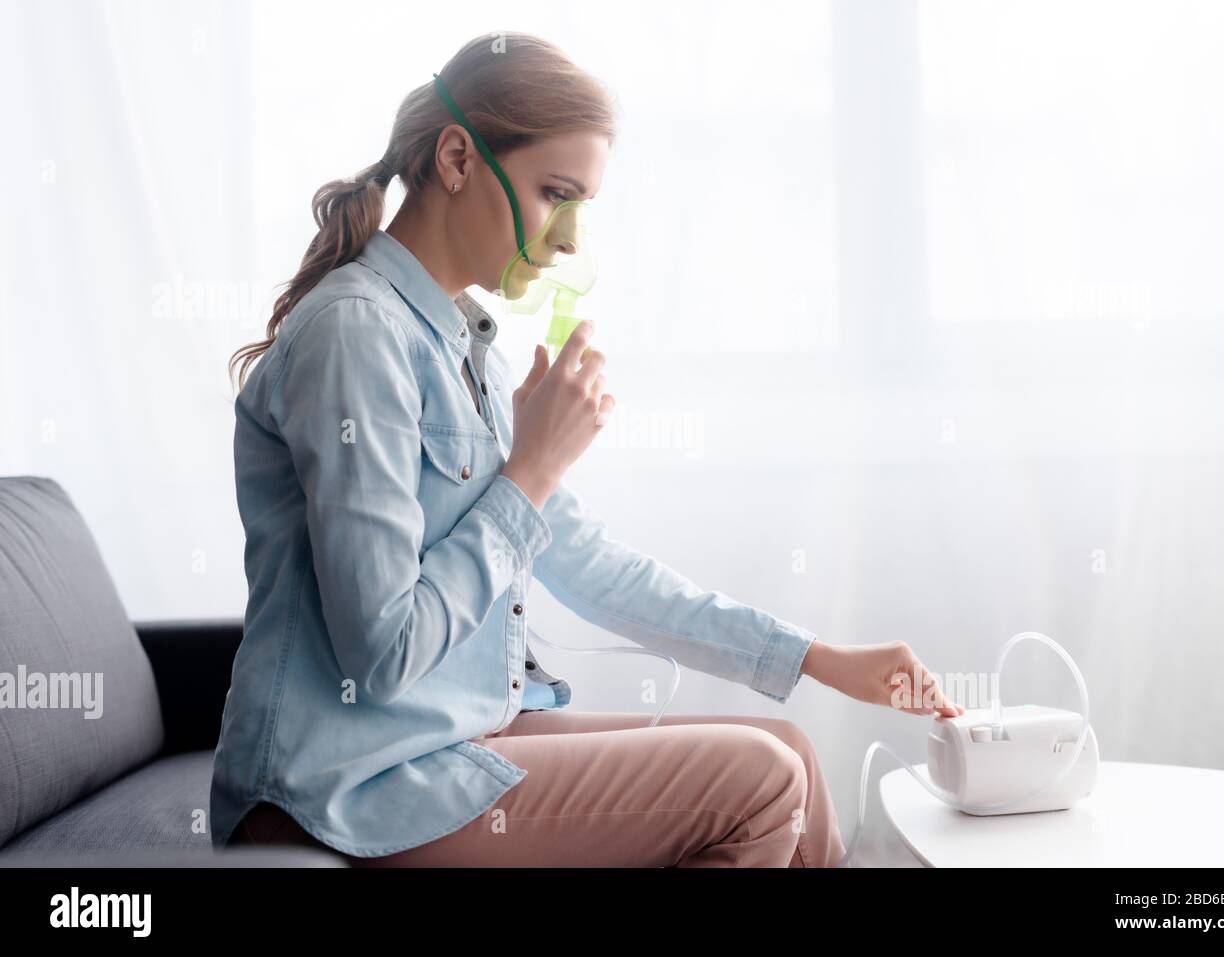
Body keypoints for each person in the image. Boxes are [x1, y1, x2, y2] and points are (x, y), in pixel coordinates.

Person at [214, 31, 963, 868]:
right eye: (555, 193)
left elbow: (595, 568)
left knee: (788, 744)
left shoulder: (467, 352)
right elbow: (381, 653)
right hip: (347, 789)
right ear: (458, 158)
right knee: (760, 779)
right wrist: (530, 471)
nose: (569, 239)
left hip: (440, 744)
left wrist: (817, 658)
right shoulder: (358, 335)